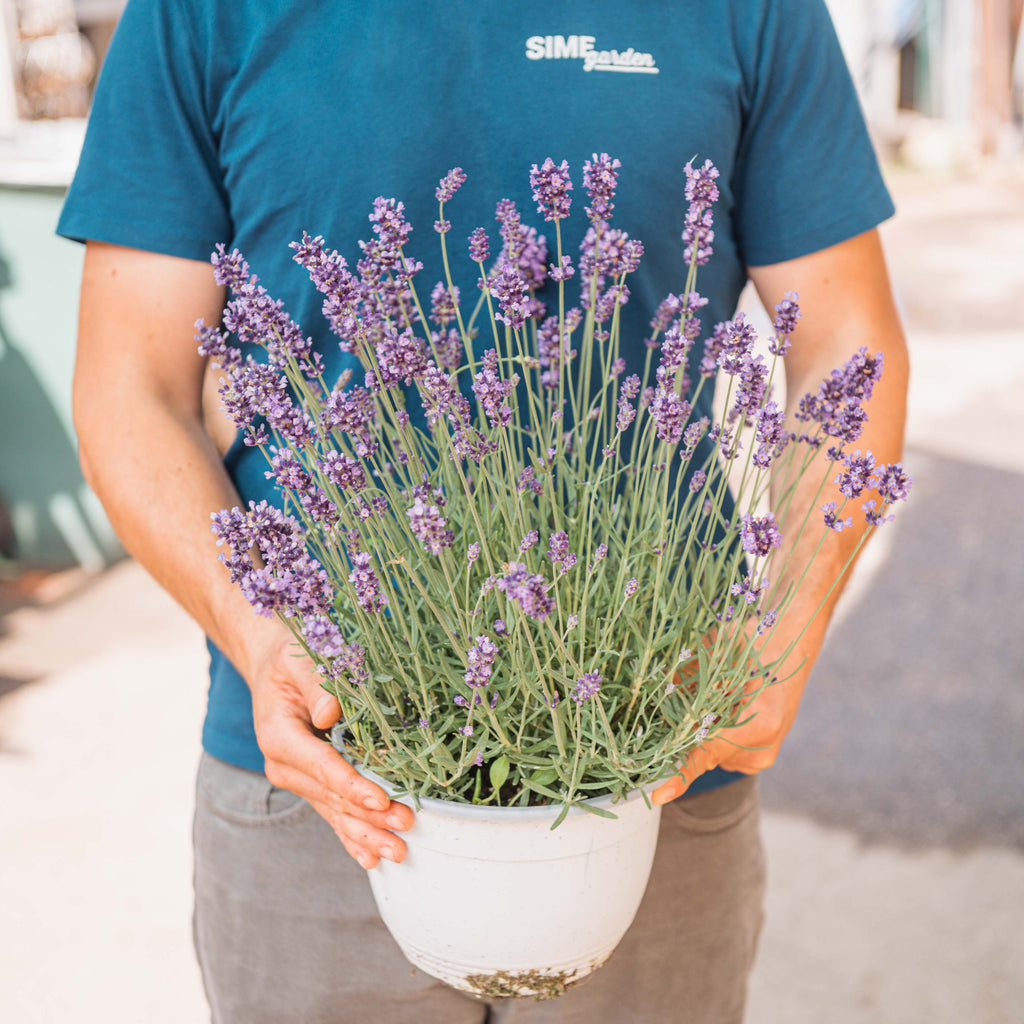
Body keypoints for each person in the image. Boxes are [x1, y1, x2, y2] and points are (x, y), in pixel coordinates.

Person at [58, 1, 909, 1021]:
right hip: (326, 782)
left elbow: (847, 343)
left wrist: (777, 632)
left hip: (653, 764)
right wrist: (260, 636)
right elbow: (129, 386)